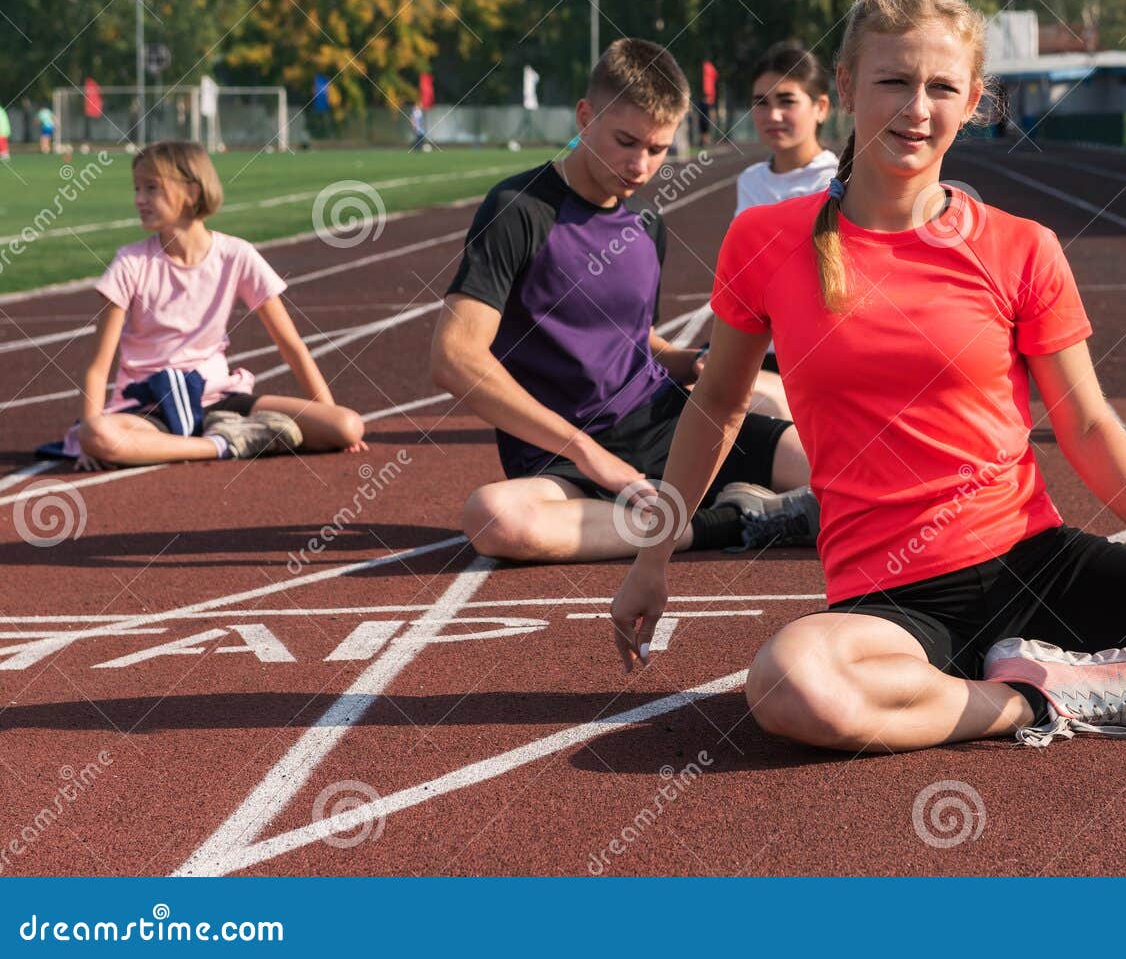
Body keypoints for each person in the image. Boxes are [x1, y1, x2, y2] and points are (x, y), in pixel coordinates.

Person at [610, 0, 1126, 754]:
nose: (916, 108)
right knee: (793, 688)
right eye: (893, 81)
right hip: (888, 597)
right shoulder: (765, 239)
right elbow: (718, 405)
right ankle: (1036, 698)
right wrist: (652, 557)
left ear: (972, 103)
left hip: (1033, 562)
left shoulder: (1020, 245)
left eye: (941, 87)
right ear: (845, 86)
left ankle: (1015, 676)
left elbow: (1086, 419)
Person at [431, 37, 816, 564]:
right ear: (585, 117)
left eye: (658, 150)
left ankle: (691, 516)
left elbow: (634, 344)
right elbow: (455, 358)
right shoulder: (518, 209)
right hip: (559, 457)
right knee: (496, 519)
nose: (640, 165)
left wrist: (691, 361)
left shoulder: (646, 224)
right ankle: (729, 523)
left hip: (663, 424)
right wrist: (590, 456)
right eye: (626, 141)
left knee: (839, 470)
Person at [72, 141, 367, 468]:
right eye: (137, 189)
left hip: (220, 399)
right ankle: (223, 445)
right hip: (147, 407)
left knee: (347, 426)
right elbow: (98, 367)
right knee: (97, 435)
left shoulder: (237, 255)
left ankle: (208, 438)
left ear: (192, 193)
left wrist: (328, 412)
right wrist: (88, 439)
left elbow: (291, 345)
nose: (139, 199)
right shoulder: (130, 263)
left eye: (151, 188)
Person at [735, 40, 839, 373]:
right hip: (755, 349)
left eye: (787, 102)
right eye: (761, 103)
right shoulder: (750, 181)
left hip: (816, 352)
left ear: (821, 107)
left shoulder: (838, 182)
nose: (772, 115)